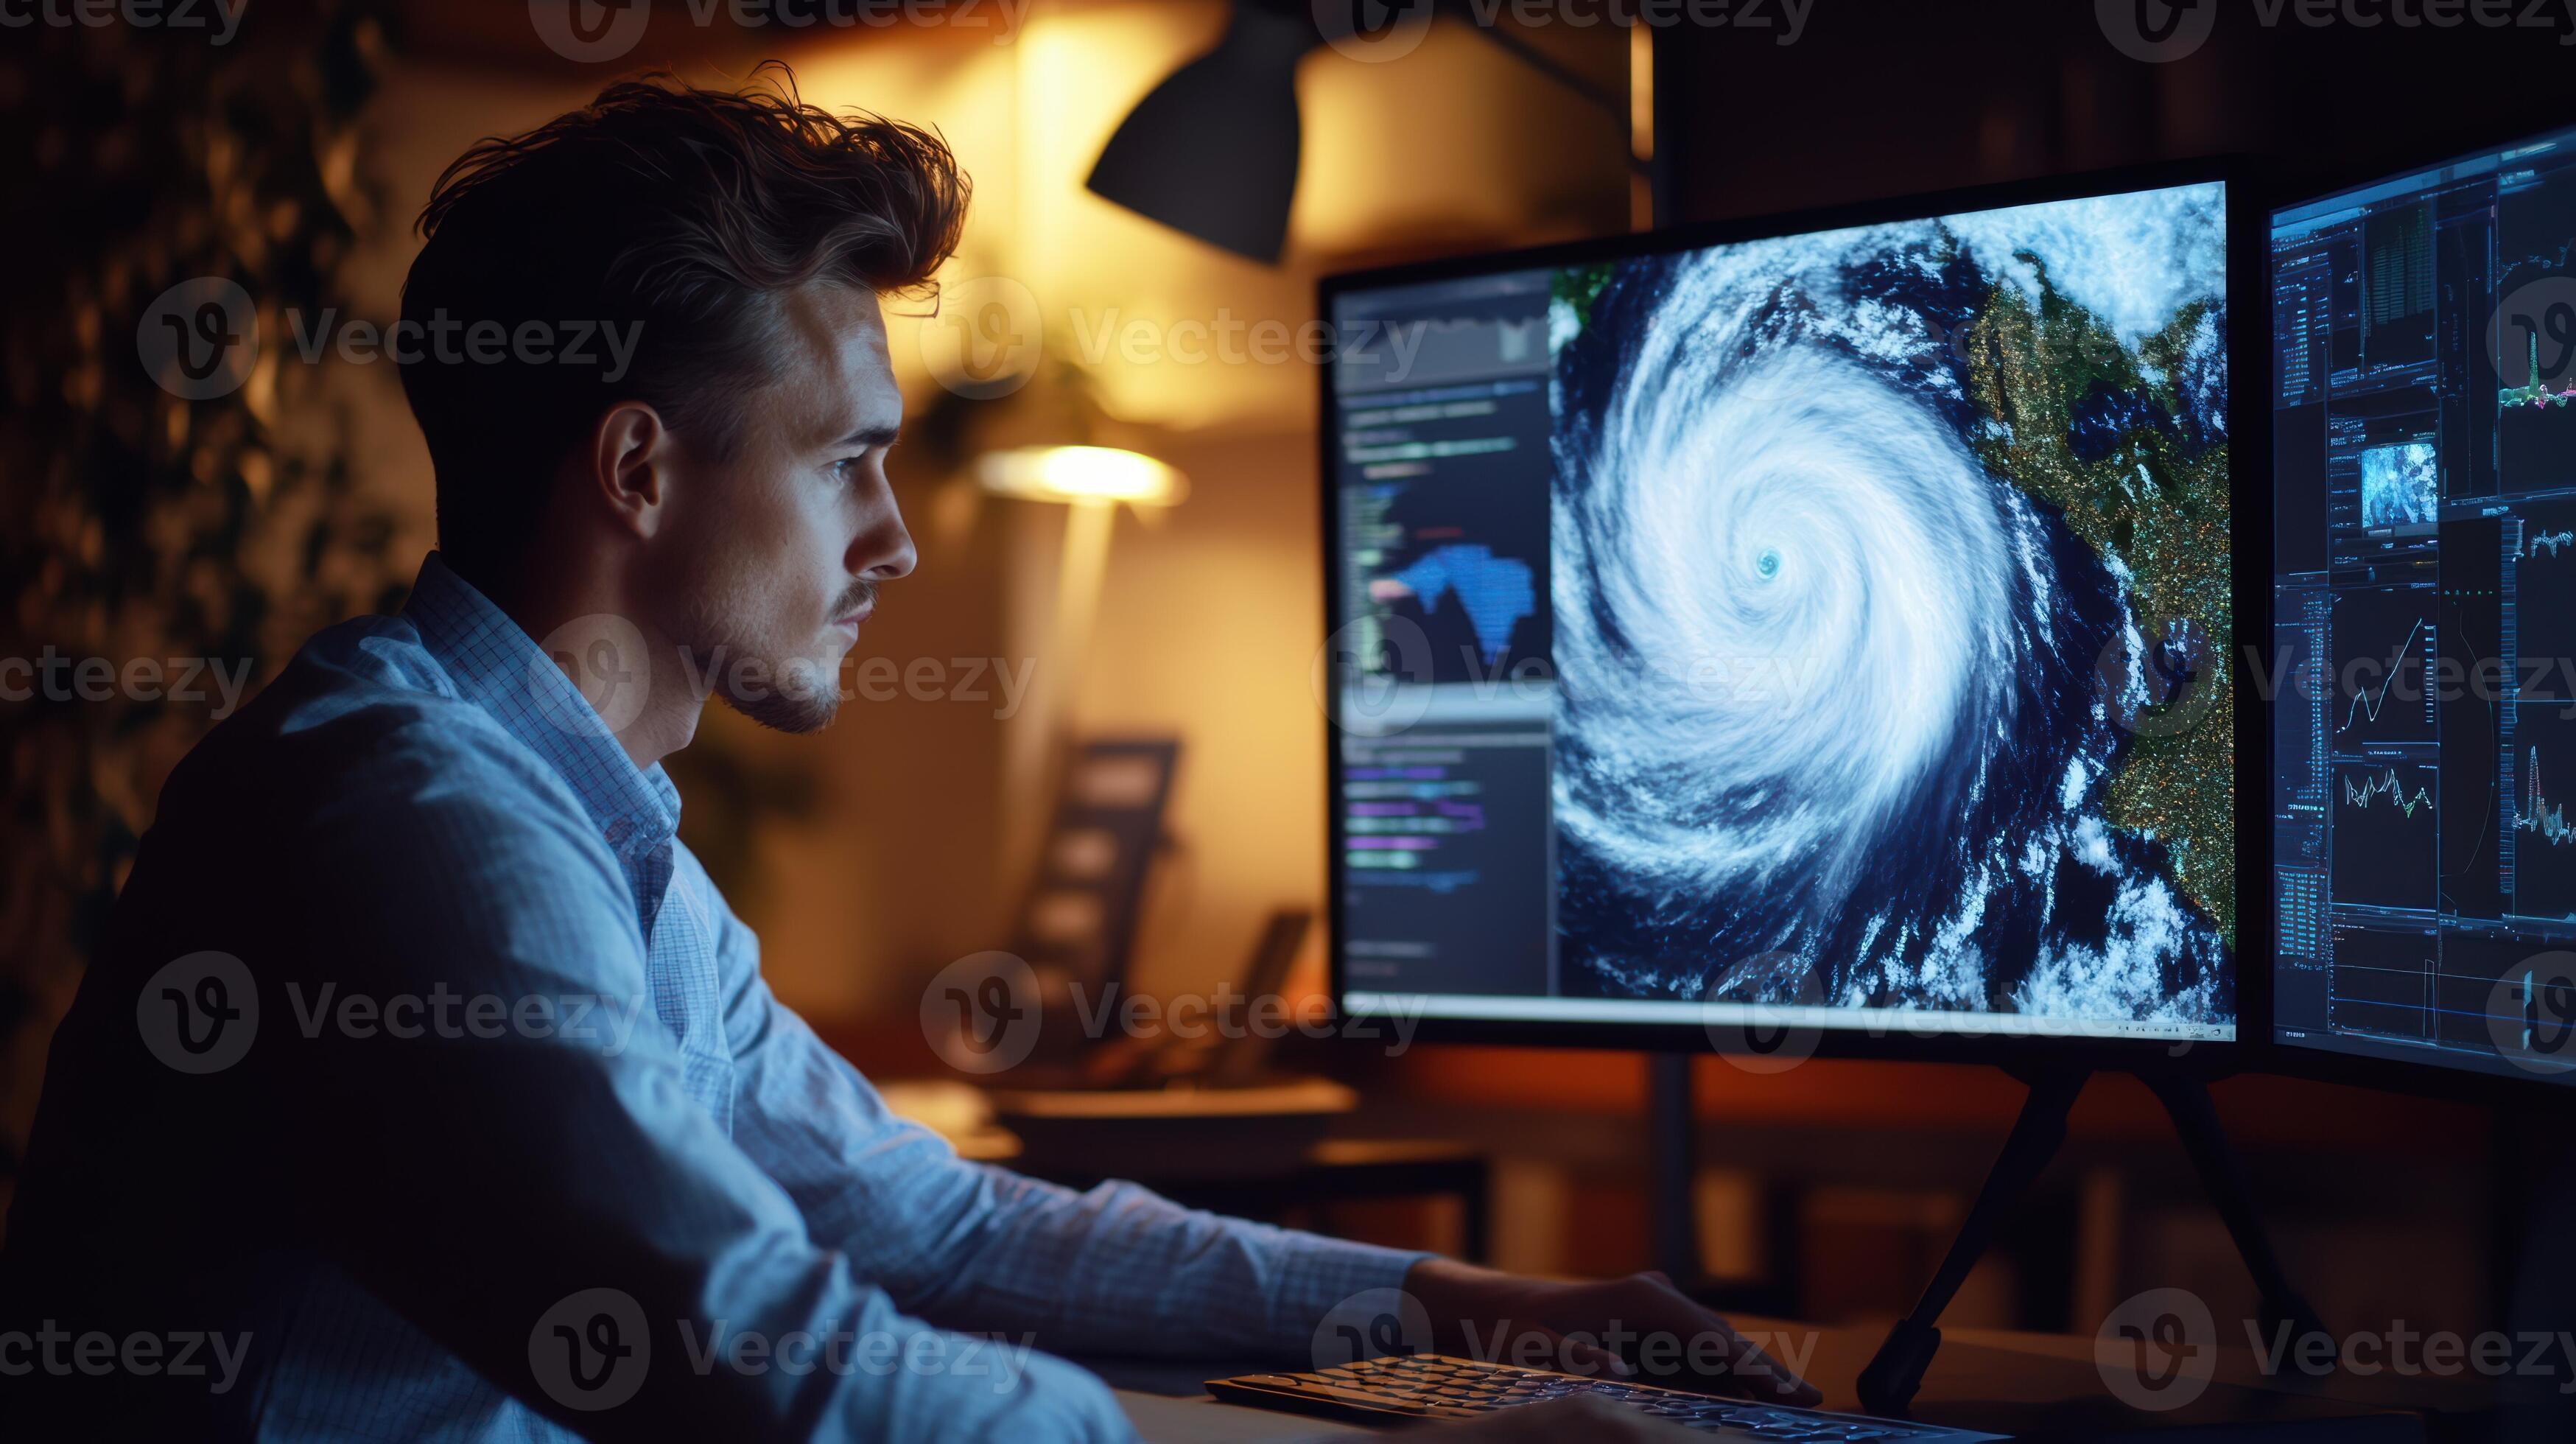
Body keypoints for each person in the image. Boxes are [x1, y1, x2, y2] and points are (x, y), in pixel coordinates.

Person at [0, 69, 1811, 1441]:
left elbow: (928, 1228)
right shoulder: (409, 822)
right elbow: (750, 1343)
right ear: (638, 472)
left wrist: (1474, 1300)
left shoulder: (590, 838)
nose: (897, 536)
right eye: (845, 458)